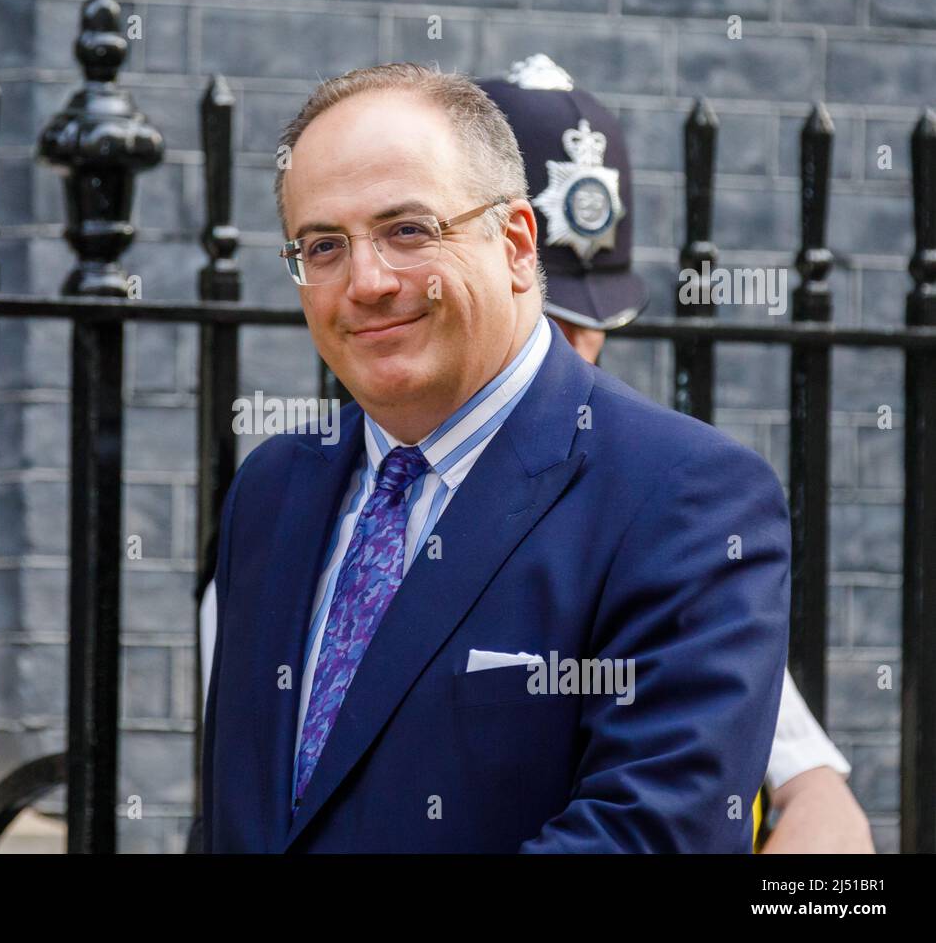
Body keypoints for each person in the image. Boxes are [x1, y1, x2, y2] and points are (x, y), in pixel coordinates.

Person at [199, 60, 791, 853]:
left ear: (515, 245)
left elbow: (650, 835)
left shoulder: (689, 499)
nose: (365, 282)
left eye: (407, 230)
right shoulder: (270, 490)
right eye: (323, 245)